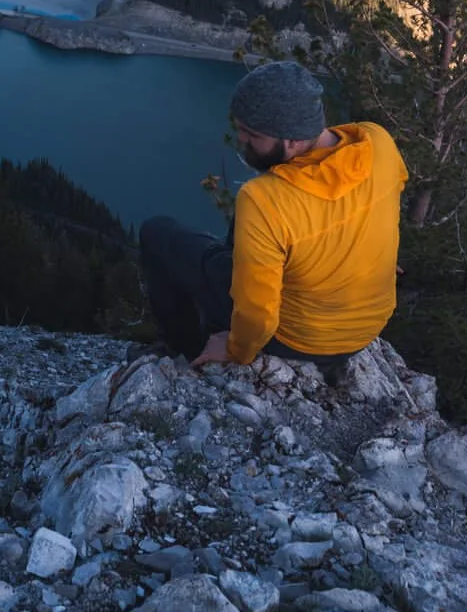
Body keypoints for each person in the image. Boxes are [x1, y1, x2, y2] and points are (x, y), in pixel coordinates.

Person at [140, 61, 405, 377]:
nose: (240, 138)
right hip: (367, 328)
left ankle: (184, 349)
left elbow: (258, 315)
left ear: (291, 140)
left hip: (298, 339)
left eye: (251, 133)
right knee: (239, 248)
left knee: (157, 234)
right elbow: (390, 194)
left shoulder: (266, 198)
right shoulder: (378, 143)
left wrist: (236, 348)